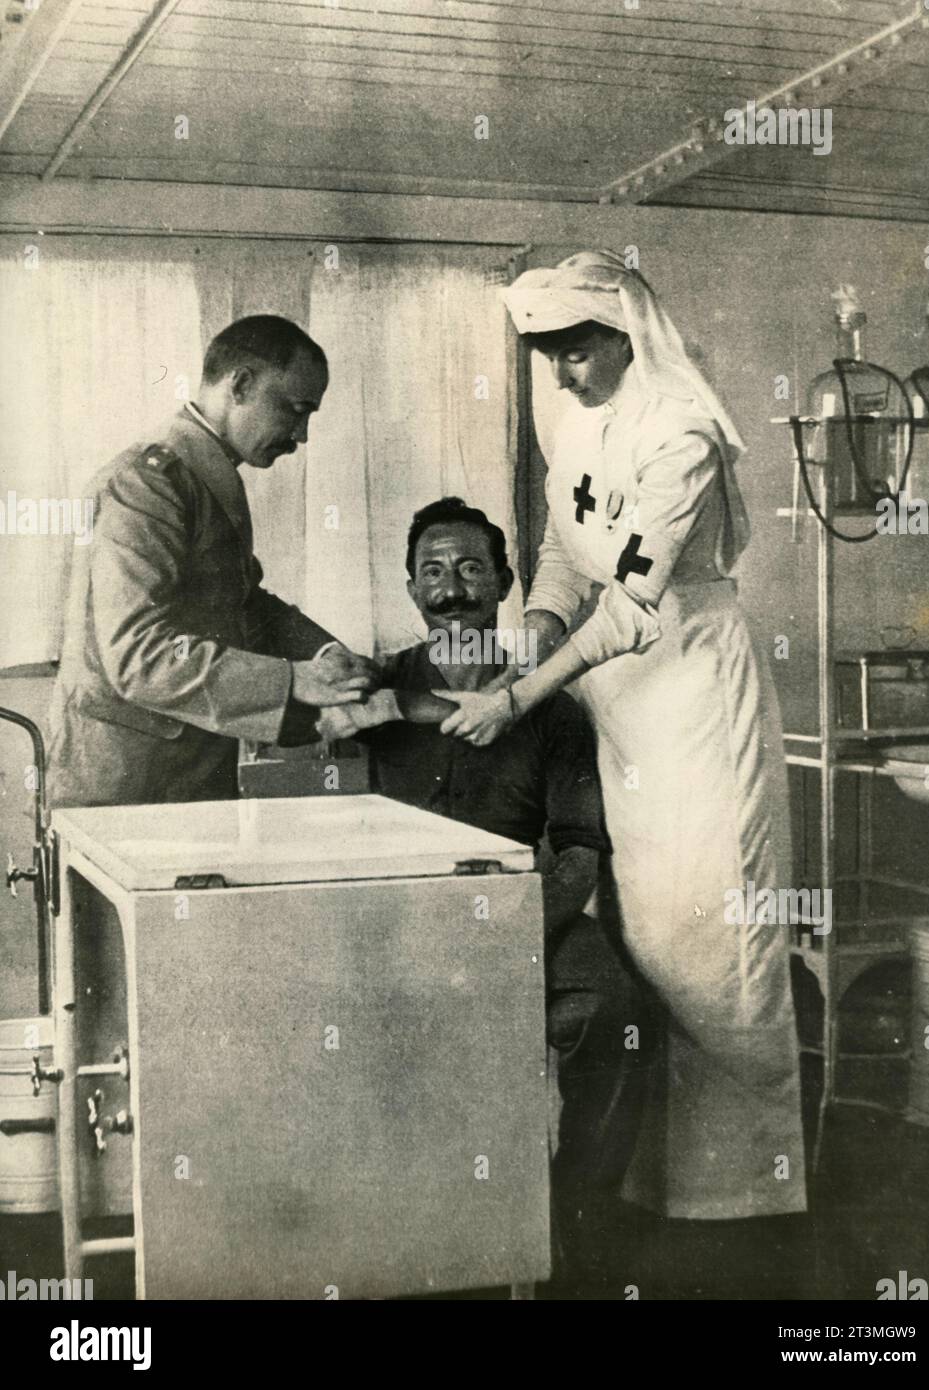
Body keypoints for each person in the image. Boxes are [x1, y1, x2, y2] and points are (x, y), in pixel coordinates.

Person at [434, 252, 806, 1223]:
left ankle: (745, 1203)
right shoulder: (577, 420)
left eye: (576, 352)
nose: (559, 373)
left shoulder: (681, 433)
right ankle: (659, 1184)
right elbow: (565, 550)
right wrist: (540, 626)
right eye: (546, 356)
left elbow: (636, 602)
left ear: (626, 335)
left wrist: (523, 691)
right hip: (619, 713)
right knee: (644, 937)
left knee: (714, 941)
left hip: (692, 702)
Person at [343, 496, 651, 1282]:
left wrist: (515, 937)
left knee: (615, 1011)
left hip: (519, 921)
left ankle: (573, 1211)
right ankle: (379, 1226)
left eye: (472, 569)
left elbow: (579, 853)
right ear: (410, 588)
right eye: (433, 573)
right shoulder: (369, 696)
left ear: (508, 582)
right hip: (394, 922)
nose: (452, 591)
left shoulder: (549, 706)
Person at [47, 315, 380, 809]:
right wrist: (294, 679)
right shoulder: (146, 484)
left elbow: (244, 601)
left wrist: (325, 652)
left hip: (190, 772)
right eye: (294, 408)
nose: (302, 434)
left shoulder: (208, 476)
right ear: (240, 384)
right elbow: (139, 656)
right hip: (123, 784)